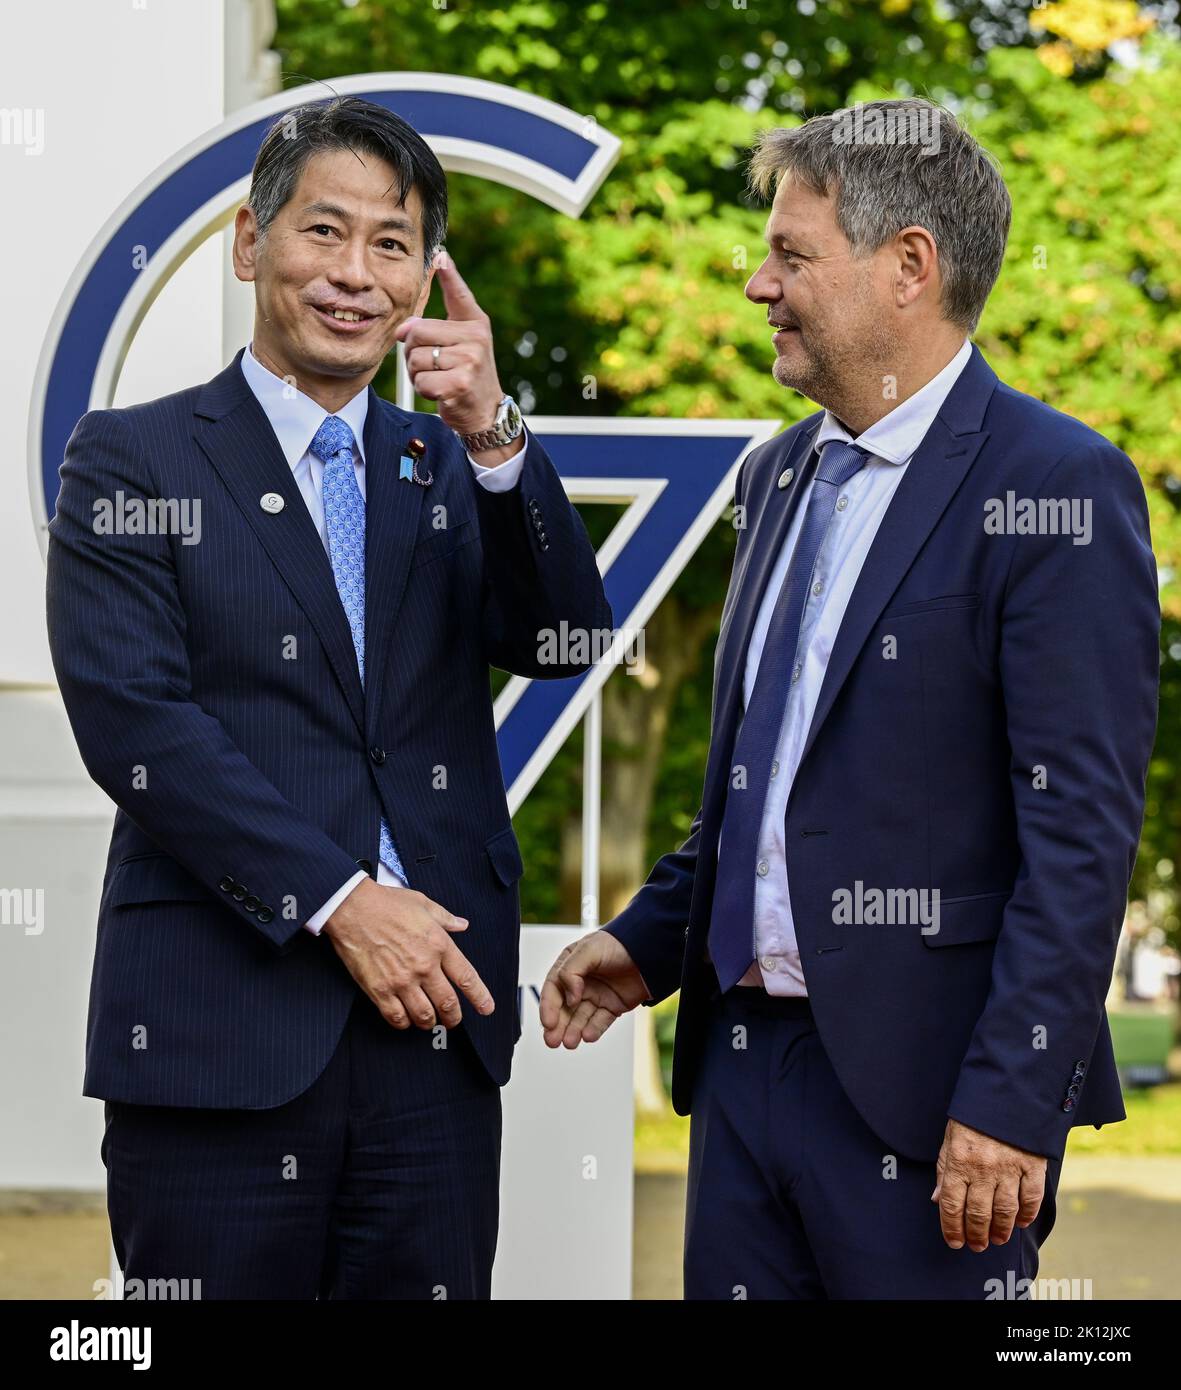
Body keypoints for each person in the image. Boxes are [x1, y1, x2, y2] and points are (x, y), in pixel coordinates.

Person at [541, 97, 1160, 1299]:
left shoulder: (1058, 486)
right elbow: (762, 787)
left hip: (934, 1116)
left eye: (789, 253)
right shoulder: (774, 476)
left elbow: (1079, 841)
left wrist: (1005, 1099)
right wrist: (642, 942)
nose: (758, 284)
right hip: (737, 1085)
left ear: (908, 267)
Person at [47, 96, 610, 1299]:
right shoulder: (130, 458)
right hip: (219, 1033)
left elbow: (563, 638)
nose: (354, 274)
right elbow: (134, 721)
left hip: (432, 1034)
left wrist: (498, 437)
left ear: (422, 277)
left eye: (391, 244)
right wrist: (342, 901)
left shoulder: (451, 461)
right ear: (253, 244)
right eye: (324, 233)